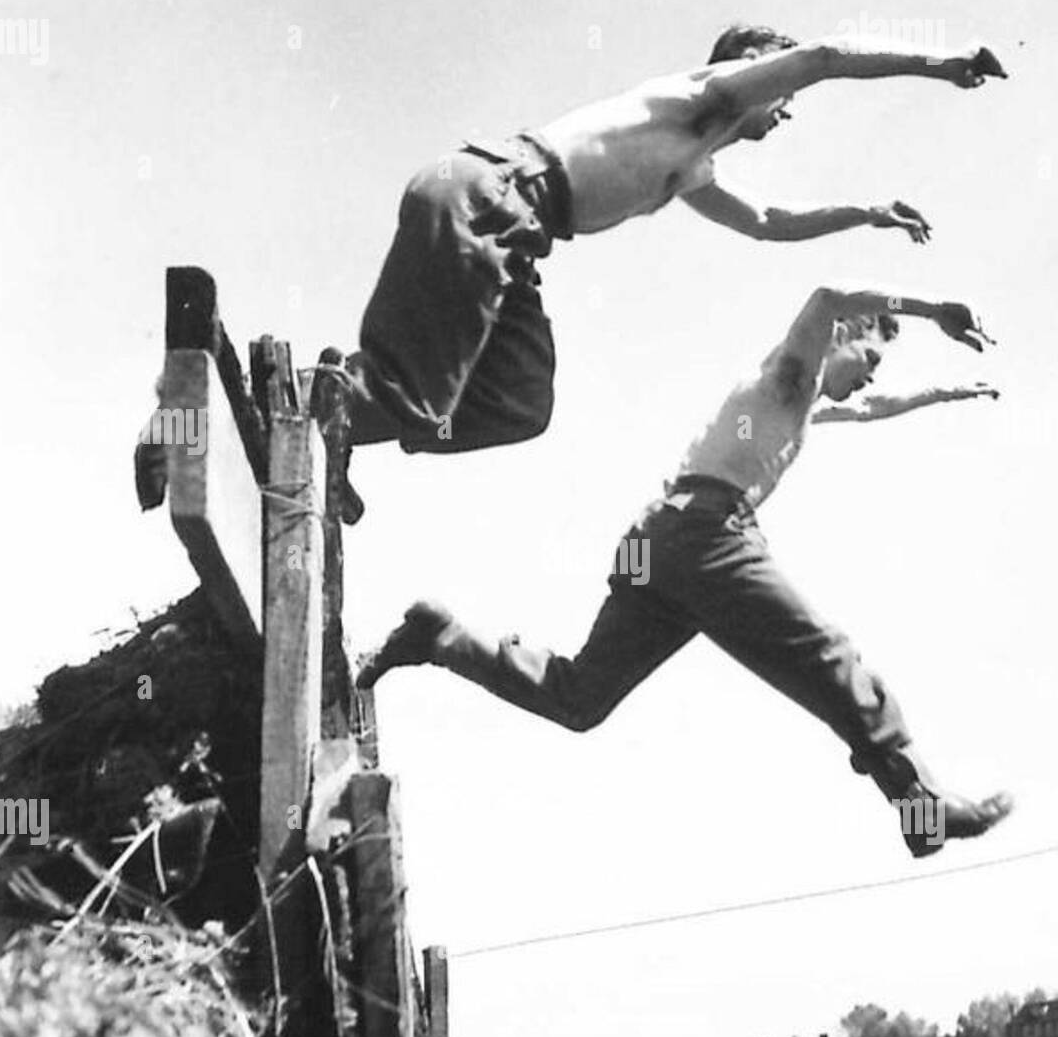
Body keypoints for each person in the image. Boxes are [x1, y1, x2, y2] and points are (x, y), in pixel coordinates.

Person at [356, 282, 1014, 858]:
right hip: (704, 531)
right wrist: (934, 309)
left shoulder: (794, 406)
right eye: (870, 358)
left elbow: (870, 408)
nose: (869, 377)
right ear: (842, 335)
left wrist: (947, 392)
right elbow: (828, 295)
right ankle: (923, 808)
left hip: (649, 545)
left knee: (581, 698)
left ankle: (441, 636)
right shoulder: (790, 370)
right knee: (826, 657)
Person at [340, 24, 1007, 473]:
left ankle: (342, 412)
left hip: (520, 238)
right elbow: (824, 58)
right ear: (755, 67)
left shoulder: (692, 163)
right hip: (493, 193)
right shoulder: (700, 97)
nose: (788, 110)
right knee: (419, 396)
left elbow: (767, 220)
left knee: (518, 403)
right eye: (783, 95)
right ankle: (334, 403)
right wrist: (941, 64)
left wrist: (866, 213)